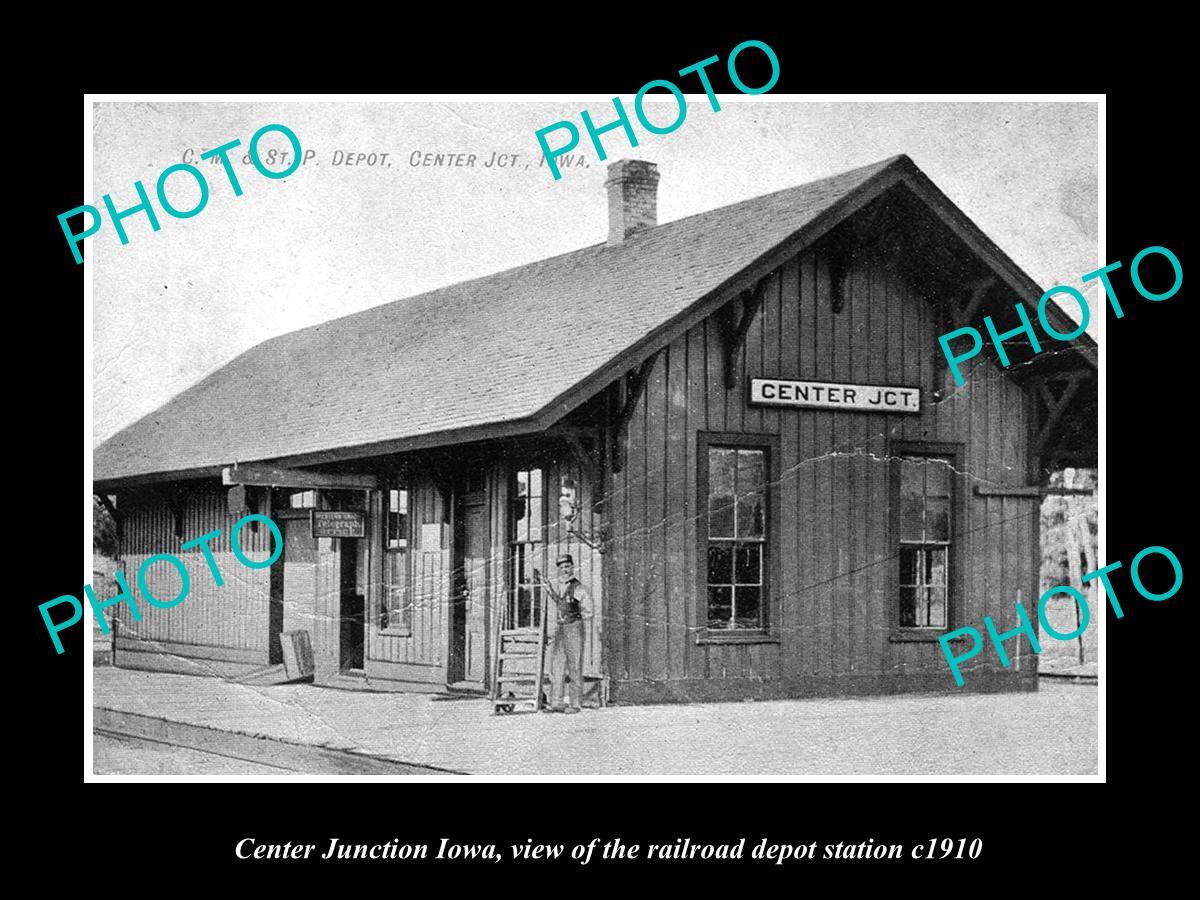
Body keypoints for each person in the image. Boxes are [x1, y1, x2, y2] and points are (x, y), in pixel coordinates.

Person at [543, 553, 592, 714]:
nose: (565, 570)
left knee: (574, 666)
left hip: (574, 628)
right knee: (557, 666)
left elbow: (588, 611)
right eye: (562, 567)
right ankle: (555, 702)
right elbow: (559, 602)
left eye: (567, 566)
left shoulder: (579, 587)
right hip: (560, 628)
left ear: (572, 567)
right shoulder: (558, 586)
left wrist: (575, 619)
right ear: (559, 569)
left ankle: (575, 704)